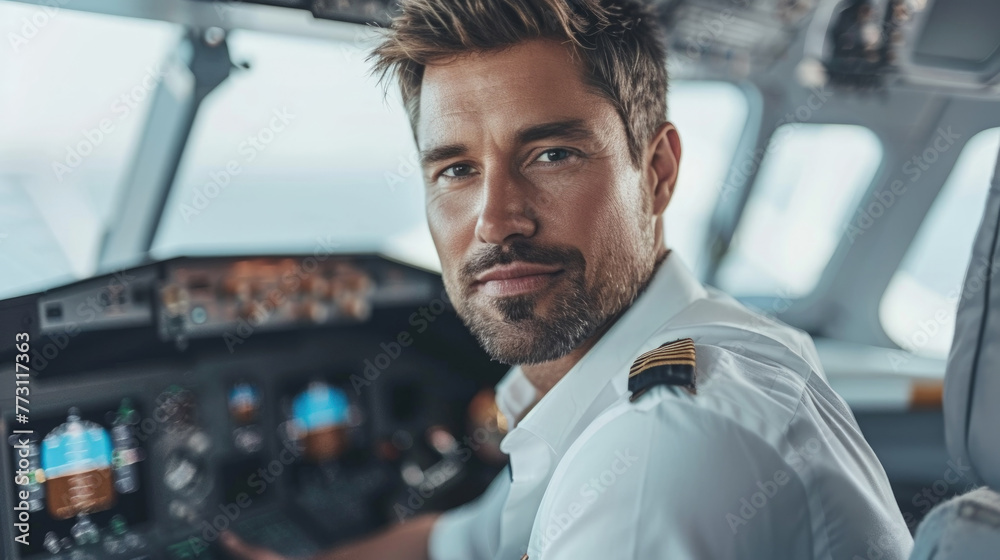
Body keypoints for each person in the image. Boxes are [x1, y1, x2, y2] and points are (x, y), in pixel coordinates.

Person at [221, 0, 913, 558]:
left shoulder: (659, 447)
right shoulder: (626, 373)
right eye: (456, 170)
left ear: (658, 172)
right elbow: (464, 544)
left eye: (552, 153)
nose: (495, 221)